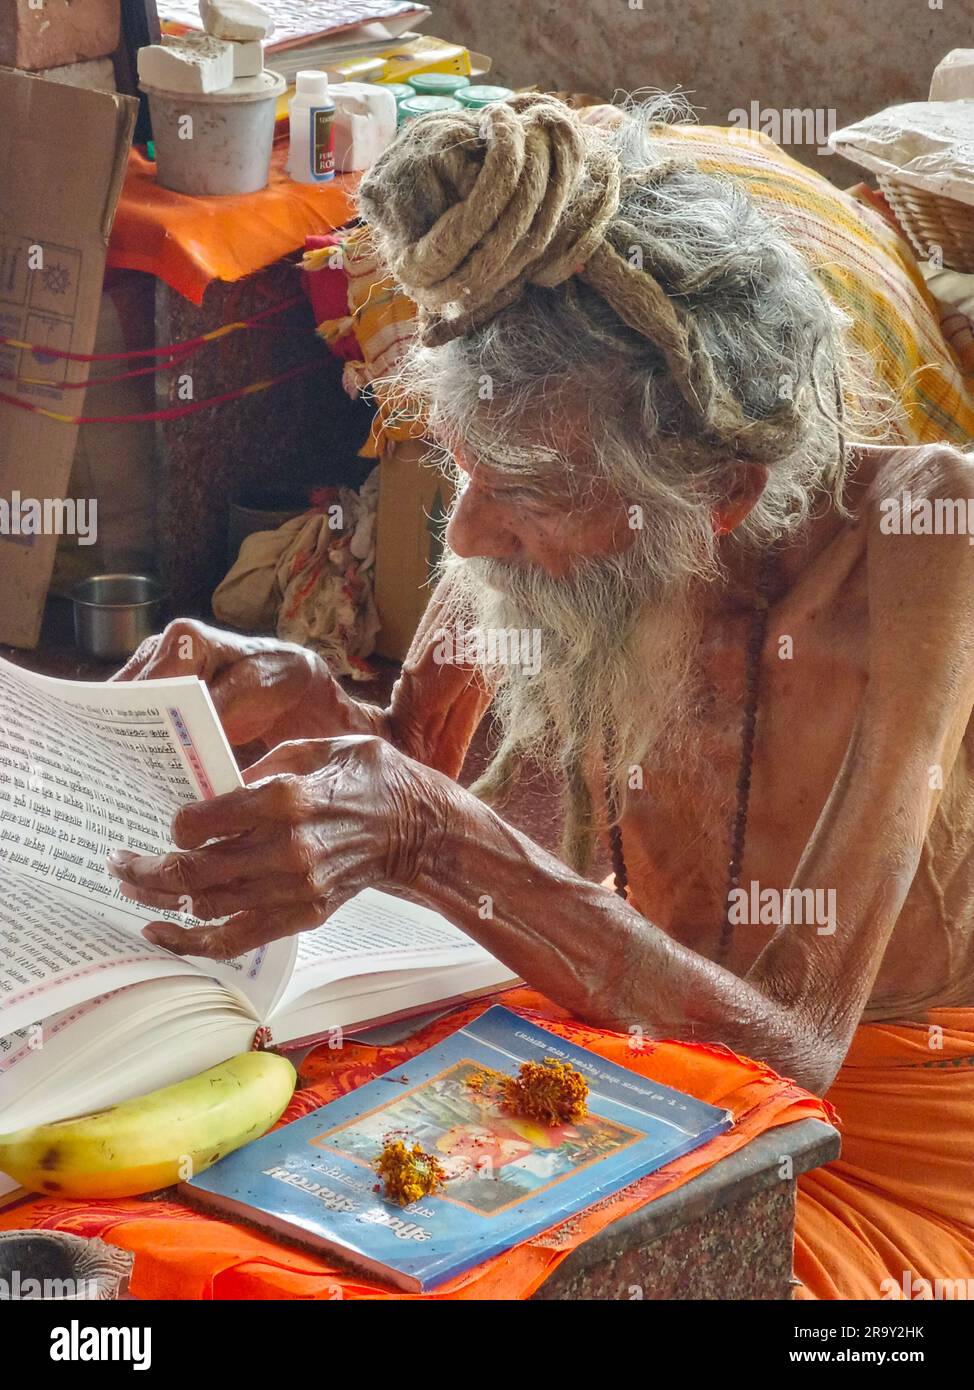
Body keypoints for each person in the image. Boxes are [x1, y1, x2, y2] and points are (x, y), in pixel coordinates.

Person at [109, 95, 974, 1298]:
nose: (466, 531)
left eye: (520, 486)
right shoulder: (539, 534)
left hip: (869, 1171)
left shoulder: (926, 538)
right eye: (463, 467)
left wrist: (417, 826)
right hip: (616, 1092)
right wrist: (312, 708)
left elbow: (795, 1046)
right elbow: (430, 776)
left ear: (716, 492)